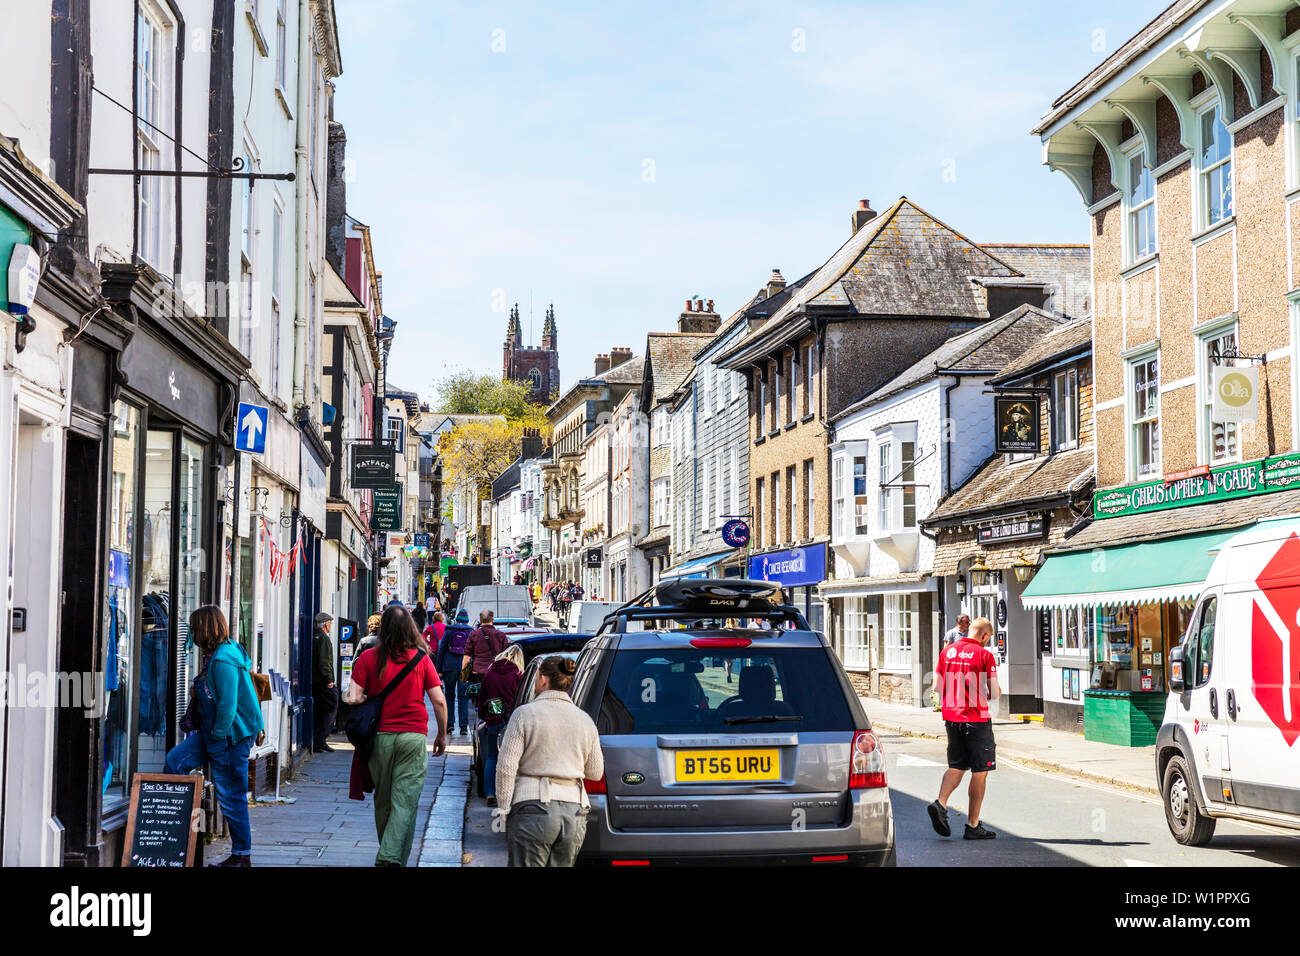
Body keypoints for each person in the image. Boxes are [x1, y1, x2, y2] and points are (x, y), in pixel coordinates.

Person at [344, 604, 448, 866]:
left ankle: (393, 859)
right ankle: (389, 858)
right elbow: (439, 701)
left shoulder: (368, 658)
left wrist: (371, 697)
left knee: (385, 801)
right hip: (413, 738)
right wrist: (442, 735)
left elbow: (353, 697)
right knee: (406, 801)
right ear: (410, 628)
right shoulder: (422, 659)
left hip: (379, 738)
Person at [165, 605, 264, 867]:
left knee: (232, 795)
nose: (192, 634)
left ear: (204, 629)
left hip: (228, 736)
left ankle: (242, 856)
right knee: (176, 761)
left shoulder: (222, 659)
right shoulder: (218, 654)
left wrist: (218, 739)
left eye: (194, 628)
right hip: (214, 732)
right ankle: (174, 832)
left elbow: (228, 705)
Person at [495, 656, 604, 866]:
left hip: (532, 809)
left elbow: (506, 767)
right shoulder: (585, 721)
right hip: (574, 812)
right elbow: (595, 771)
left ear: (543, 679)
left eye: (536, 677)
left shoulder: (524, 715)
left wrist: (504, 811)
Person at [928, 616, 1000, 841]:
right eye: (988, 638)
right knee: (980, 772)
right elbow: (996, 693)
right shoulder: (985, 655)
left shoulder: (947, 652)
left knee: (957, 766)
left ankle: (940, 803)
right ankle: (972, 825)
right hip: (976, 719)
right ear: (985, 636)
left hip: (951, 718)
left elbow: (937, 686)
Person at [478, 643, 525, 807]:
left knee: (492, 756)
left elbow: (482, 696)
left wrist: (484, 716)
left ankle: (490, 792)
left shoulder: (490, 672)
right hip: (512, 721)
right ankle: (508, 793)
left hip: (494, 720)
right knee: (512, 759)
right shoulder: (518, 674)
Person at [463, 610, 508, 694]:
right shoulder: (501, 635)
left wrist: (464, 675)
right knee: (494, 697)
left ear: (480, 621)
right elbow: (505, 656)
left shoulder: (474, 634)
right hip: (495, 672)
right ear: (492, 620)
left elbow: (467, 656)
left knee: (479, 698)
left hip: (477, 672)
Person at [312, 612, 337, 753]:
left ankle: (318, 740)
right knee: (331, 706)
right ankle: (320, 740)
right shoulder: (324, 639)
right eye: (330, 623)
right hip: (322, 682)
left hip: (313, 681)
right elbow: (324, 662)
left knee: (319, 710)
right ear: (326, 624)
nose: (330, 626)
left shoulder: (312, 636)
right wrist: (329, 680)